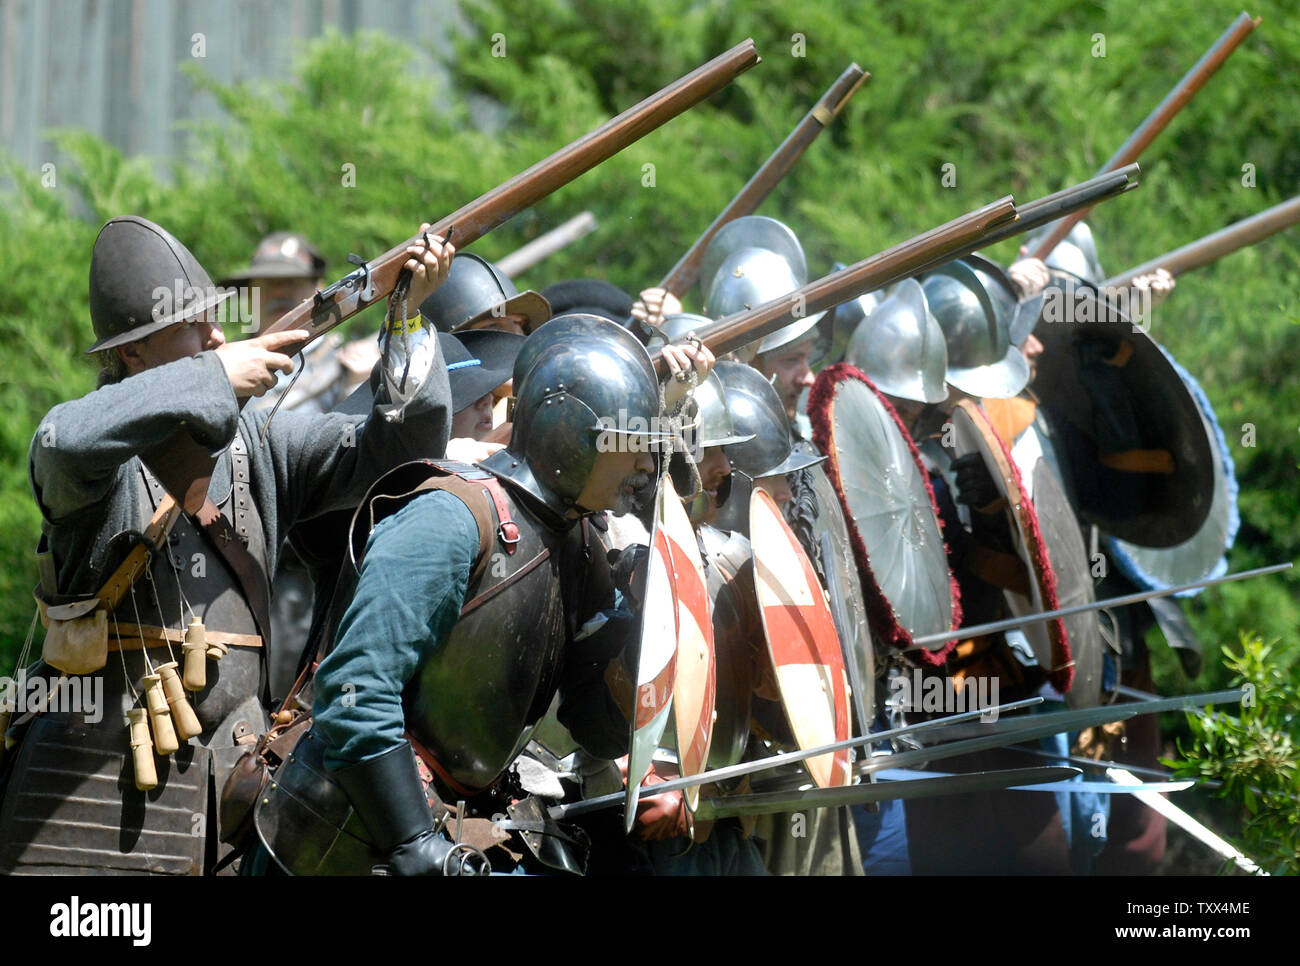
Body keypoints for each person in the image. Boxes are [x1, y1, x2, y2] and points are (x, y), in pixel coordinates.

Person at [0, 215, 453, 875]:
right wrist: (213, 378)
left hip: (234, 798)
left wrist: (408, 317)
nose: (218, 335)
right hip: (93, 804)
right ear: (134, 352)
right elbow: (63, 441)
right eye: (195, 326)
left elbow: (401, 451)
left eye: (215, 321)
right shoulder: (90, 458)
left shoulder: (262, 442)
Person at [254, 314, 716, 874]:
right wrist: (410, 839)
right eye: (633, 445)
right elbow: (354, 689)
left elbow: (596, 725)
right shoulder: (452, 516)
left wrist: (641, 628)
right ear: (572, 432)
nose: (646, 465)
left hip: (461, 824)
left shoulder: (580, 546)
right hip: (348, 835)